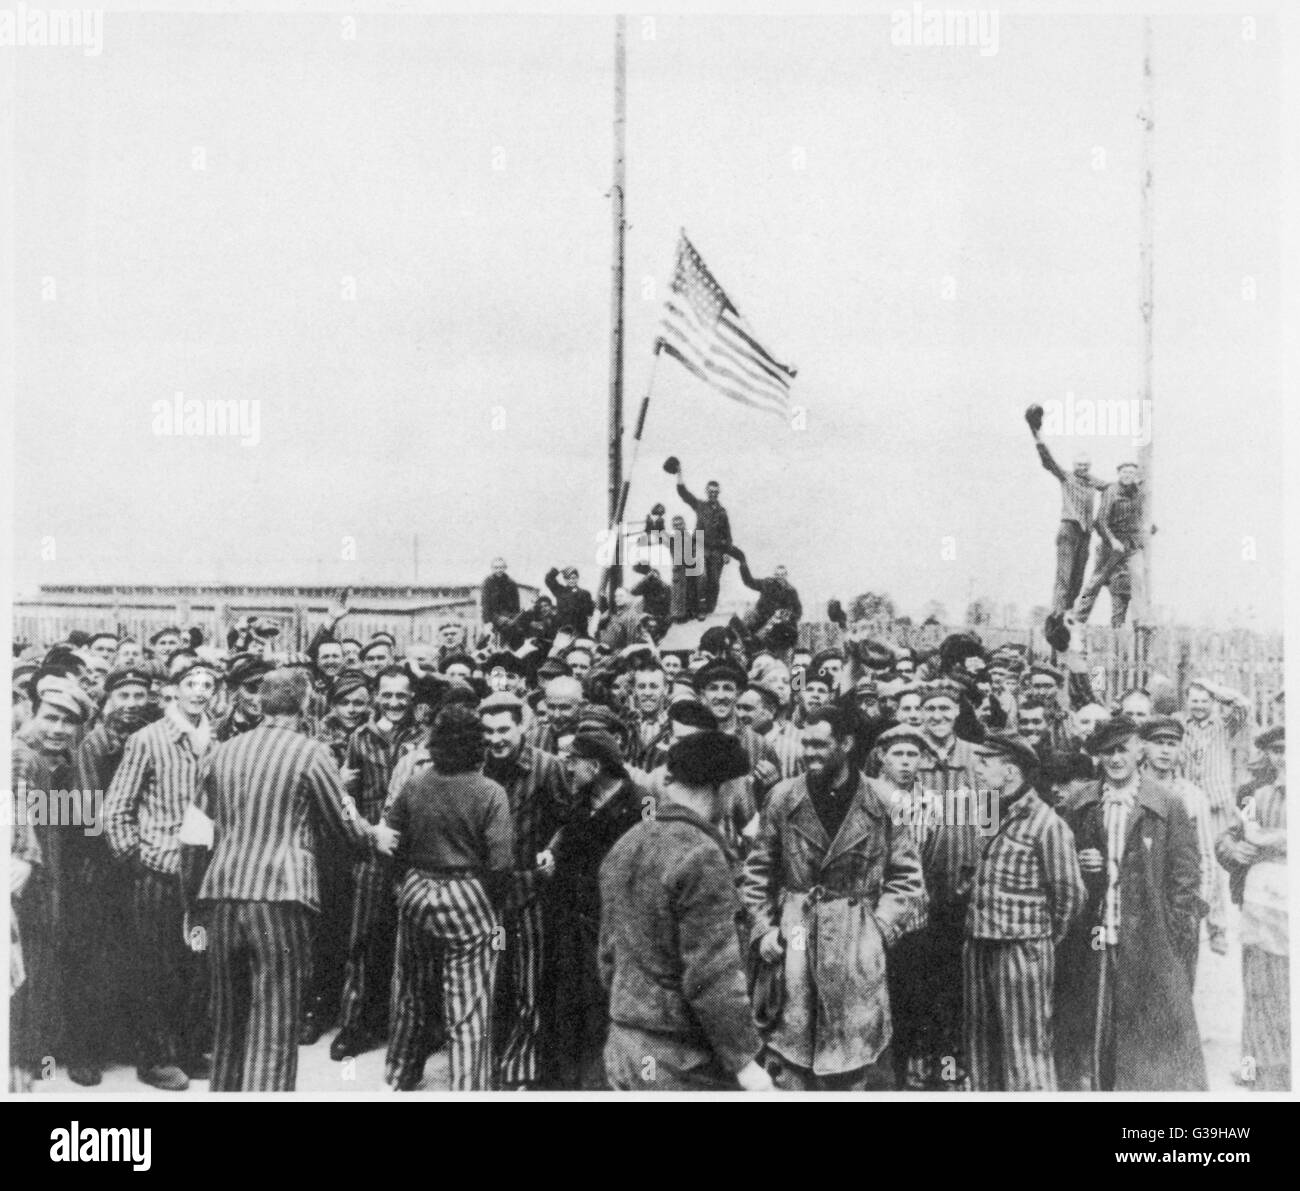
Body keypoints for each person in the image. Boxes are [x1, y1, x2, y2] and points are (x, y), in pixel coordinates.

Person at [180, 669, 398, 1092]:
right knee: (276, 1018)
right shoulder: (311, 753)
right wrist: (374, 835)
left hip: (222, 893)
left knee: (230, 1020)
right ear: (306, 705)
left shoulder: (220, 753)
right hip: (281, 896)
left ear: (260, 705)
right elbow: (343, 823)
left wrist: (193, 905)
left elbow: (194, 835)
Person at [741, 707, 925, 1089]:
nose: (810, 753)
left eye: (820, 744)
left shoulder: (884, 800)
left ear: (846, 743)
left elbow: (907, 878)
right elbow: (757, 872)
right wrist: (764, 929)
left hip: (856, 936)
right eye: (806, 744)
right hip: (795, 932)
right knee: (790, 1049)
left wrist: (881, 929)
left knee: (852, 1054)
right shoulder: (782, 797)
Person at [598, 730, 774, 1091]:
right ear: (723, 787)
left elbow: (607, 957)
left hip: (625, 1045)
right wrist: (745, 1063)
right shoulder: (702, 854)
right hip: (679, 1058)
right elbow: (713, 976)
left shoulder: (627, 843)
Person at [1054, 717, 1206, 1091]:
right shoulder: (1081, 802)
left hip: (1148, 936)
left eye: (1123, 749)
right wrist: (1079, 860)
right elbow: (1058, 860)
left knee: (1148, 1033)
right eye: (1108, 751)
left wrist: (1172, 931)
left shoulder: (1167, 804)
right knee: (1094, 1029)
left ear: (1139, 750)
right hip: (1092, 935)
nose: (1116, 759)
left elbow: (1186, 876)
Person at [104, 658, 220, 1090]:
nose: (200, 691)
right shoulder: (148, 740)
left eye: (208, 684)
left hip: (204, 873)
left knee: (197, 964)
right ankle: (154, 1057)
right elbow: (116, 809)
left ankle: (190, 1049)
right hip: (158, 872)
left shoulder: (218, 741)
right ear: (174, 689)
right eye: (192, 683)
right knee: (156, 968)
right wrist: (137, 859)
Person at [384, 705, 514, 1091]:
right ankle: (467, 1087)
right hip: (467, 892)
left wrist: (401, 885)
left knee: (410, 990)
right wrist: (492, 905)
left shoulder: (415, 783)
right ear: (479, 746)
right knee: (468, 1002)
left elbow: (390, 843)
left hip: (416, 888)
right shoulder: (490, 792)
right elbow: (501, 862)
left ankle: (401, 1074)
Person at [964, 732, 1086, 1090]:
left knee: (1025, 1049)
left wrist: (1040, 938)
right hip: (978, 944)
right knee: (981, 1046)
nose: (978, 769)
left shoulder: (1047, 824)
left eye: (986, 763)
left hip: (1022, 950)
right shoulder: (986, 808)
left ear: (1012, 771)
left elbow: (1069, 896)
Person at [540, 730, 646, 1089]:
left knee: (604, 1008)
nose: (567, 767)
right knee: (567, 1004)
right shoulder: (582, 798)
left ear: (596, 765)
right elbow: (567, 839)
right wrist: (552, 855)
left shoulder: (639, 803)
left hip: (614, 926)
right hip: (573, 918)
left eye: (573, 760)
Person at [479, 691, 571, 1089]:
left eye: (504, 730)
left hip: (531, 891)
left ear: (523, 728)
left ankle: (521, 1070)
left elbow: (570, 819)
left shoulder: (547, 767)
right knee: (490, 978)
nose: (496, 739)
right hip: (485, 892)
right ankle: (489, 1058)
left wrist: (553, 850)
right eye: (488, 731)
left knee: (528, 982)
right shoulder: (477, 767)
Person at [332, 666, 423, 1060]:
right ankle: (355, 1026)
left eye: (402, 695)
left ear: (413, 698)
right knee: (364, 938)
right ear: (376, 696)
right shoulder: (359, 738)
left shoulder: (424, 739)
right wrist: (368, 831)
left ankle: (410, 1026)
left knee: (413, 942)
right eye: (387, 695)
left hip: (413, 854)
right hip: (370, 852)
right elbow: (345, 800)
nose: (394, 702)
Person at [10, 678, 95, 1086]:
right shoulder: (20, 761)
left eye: (68, 722)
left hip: (65, 883)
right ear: (33, 715)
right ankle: (32, 1059)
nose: (58, 729)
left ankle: (62, 1054)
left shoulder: (75, 766)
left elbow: (86, 828)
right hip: (24, 882)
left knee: (62, 968)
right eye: (51, 717)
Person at [1216, 725, 1287, 1091]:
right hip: (1260, 906)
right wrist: (1233, 850)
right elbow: (1228, 836)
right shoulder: (1253, 794)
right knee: (1258, 987)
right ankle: (1252, 1067)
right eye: (1277, 750)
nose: (1284, 758)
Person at [1140, 717, 1218, 978]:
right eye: (1158, 743)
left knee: (1179, 986)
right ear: (1144, 747)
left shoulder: (1192, 797)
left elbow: (1206, 856)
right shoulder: (1133, 789)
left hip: (1180, 904)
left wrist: (1198, 906)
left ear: (1180, 750)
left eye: (1171, 744)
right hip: (1139, 903)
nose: (1165, 751)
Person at [1179, 677, 1251, 956]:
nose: (1198, 706)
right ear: (1187, 702)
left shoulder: (1224, 726)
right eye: (1194, 700)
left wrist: (1215, 690)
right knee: (1191, 864)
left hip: (1217, 806)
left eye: (1204, 701)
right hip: (1188, 806)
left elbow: (1243, 705)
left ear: (1213, 702)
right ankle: (1191, 921)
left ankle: (1218, 929)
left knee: (1217, 867)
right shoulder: (1181, 727)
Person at [1027, 410, 1108, 614]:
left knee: (1077, 579)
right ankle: (1056, 613)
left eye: (1085, 465)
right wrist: (1036, 434)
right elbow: (1048, 461)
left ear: (1089, 467)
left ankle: (1066, 614)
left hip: (1085, 533)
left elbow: (1112, 488)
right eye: (1079, 465)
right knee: (1064, 574)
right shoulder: (1067, 477)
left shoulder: (1092, 481)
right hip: (1069, 529)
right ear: (1074, 466)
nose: (1082, 468)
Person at [1074, 462, 1150, 625]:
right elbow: (1100, 521)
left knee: (1133, 581)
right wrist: (1113, 541)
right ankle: (1078, 620)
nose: (1127, 475)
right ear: (1119, 473)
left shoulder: (1138, 493)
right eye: (1124, 472)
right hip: (1110, 546)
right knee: (1096, 582)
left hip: (1130, 546)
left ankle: (1136, 621)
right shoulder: (1111, 491)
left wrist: (1146, 532)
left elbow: (1140, 517)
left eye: (1131, 472)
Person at [674, 464, 732, 616]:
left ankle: (709, 609)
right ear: (706, 492)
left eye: (715, 492)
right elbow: (684, 493)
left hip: (717, 550)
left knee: (714, 582)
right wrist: (679, 473)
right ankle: (699, 609)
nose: (713, 494)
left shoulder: (722, 512)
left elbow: (728, 534)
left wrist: (727, 553)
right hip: (700, 545)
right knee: (701, 577)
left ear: (718, 493)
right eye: (710, 491)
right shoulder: (700, 505)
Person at [214, 654, 272, 742]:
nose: (259, 698)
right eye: (252, 688)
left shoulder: (273, 733)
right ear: (233, 690)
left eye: (266, 690)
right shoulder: (214, 731)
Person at [545, 565, 595, 637]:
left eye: (573, 578)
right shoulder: (560, 591)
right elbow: (548, 580)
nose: (571, 580)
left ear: (577, 578)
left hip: (579, 632)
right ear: (565, 579)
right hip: (562, 631)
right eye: (568, 578)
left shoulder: (585, 593)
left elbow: (590, 612)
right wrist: (557, 570)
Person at [481, 556, 522, 629]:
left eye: (501, 567)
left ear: (505, 568)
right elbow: (485, 605)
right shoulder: (487, 583)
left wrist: (514, 618)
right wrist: (488, 622)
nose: (499, 570)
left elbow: (516, 606)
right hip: (493, 618)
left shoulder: (511, 583)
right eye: (496, 568)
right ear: (492, 568)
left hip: (509, 618)